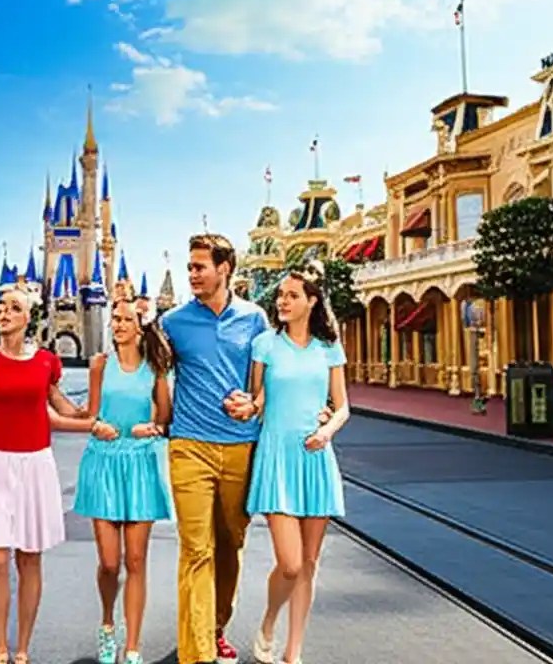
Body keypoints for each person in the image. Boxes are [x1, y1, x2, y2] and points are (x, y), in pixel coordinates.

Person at [0, 286, 95, 664]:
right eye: (0, 306)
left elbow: (61, 407)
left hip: (33, 464)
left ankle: (22, 648)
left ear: (28, 316)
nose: (4, 312)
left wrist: (95, 409)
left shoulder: (47, 361)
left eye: (14, 307)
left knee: (29, 558)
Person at [158, 233, 270, 664]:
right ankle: (198, 652)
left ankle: (216, 624)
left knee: (229, 544)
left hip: (241, 447)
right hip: (189, 446)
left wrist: (254, 403)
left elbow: (265, 385)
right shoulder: (174, 322)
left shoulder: (256, 320)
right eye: (189, 267)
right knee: (196, 549)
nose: (192, 275)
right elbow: (146, 370)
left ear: (224, 269)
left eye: (199, 267)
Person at [244, 261, 349, 664]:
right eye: (280, 295)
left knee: (308, 563)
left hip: (315, 457)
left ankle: (293, 652)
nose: (282, 301)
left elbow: (342, 408)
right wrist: (244, 406)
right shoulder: (265, 345)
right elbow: (258, 402)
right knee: (289, 565)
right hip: (277, 458)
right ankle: (270, 621)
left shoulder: (329, 348)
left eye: (291, 295)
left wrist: (326, 432)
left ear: (312, 301)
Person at [73, 297, 175, 664]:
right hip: (103, 463)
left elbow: (166, 419)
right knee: (110, 563)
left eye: (125, 319)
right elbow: (91, 414)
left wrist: (154, 427)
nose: (117, 325)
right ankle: (106, 624)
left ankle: (132, 646)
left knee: (135, 559)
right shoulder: (100, 365)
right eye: (114, 318)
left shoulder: (156, 369)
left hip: (140, 464)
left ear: (139, 325)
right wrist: (95, 425)